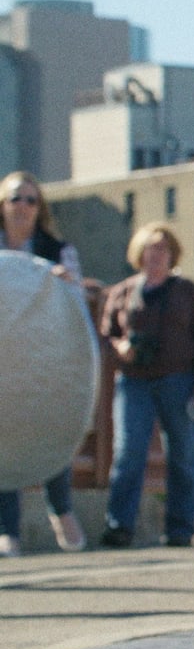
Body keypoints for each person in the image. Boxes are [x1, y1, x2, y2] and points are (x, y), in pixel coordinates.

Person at [97, 223, 194, 548]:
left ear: (172, 253)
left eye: (163, 248)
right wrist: (121, 347)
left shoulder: (187, 291)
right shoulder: (122, 292)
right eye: (150, 248)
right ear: (139, 253)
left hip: (179, 380)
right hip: (134, 382)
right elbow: (105, 334)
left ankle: (180, 529)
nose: (156, 254)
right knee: (128, 453)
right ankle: (119, 526)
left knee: (182, 455)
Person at [0, 171, 88, 556]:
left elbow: (79, 308)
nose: (23, 207)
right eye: (16, 198)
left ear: (41, 209)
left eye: (31, 200)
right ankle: (8, 532)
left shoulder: (58, 250)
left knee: (51, 432)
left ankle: (62, 509)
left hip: (43, 365)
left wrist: (65, 284)